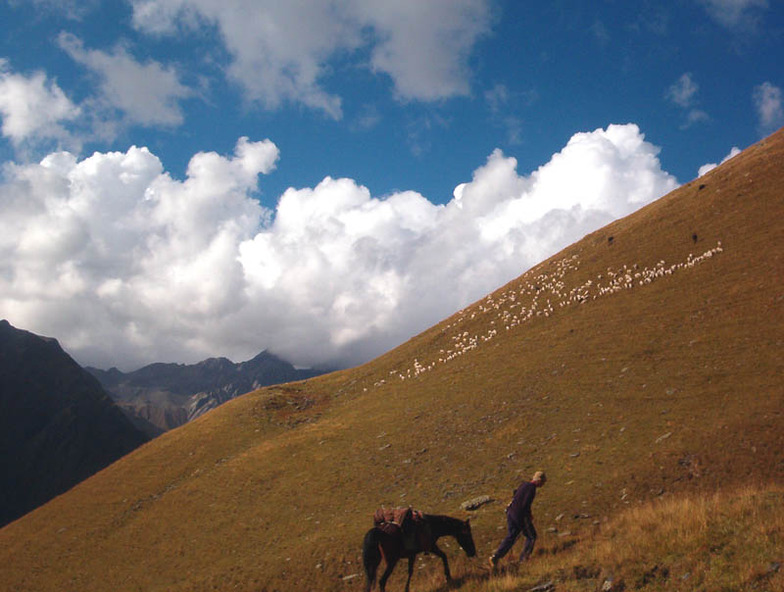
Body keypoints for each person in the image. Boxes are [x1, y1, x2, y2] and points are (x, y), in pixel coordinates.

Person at [489, 470, 546, 569]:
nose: (543, 484)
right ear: (539, 480)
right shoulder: (532, 488)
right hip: (520, 515)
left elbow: (515, 494)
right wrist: (528, 516)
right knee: (531, 536)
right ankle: (523, 559)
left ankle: (495, 557)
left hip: (510, 512)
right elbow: (525, 504)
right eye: (543, 482)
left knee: (512, 535)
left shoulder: (524, 484)